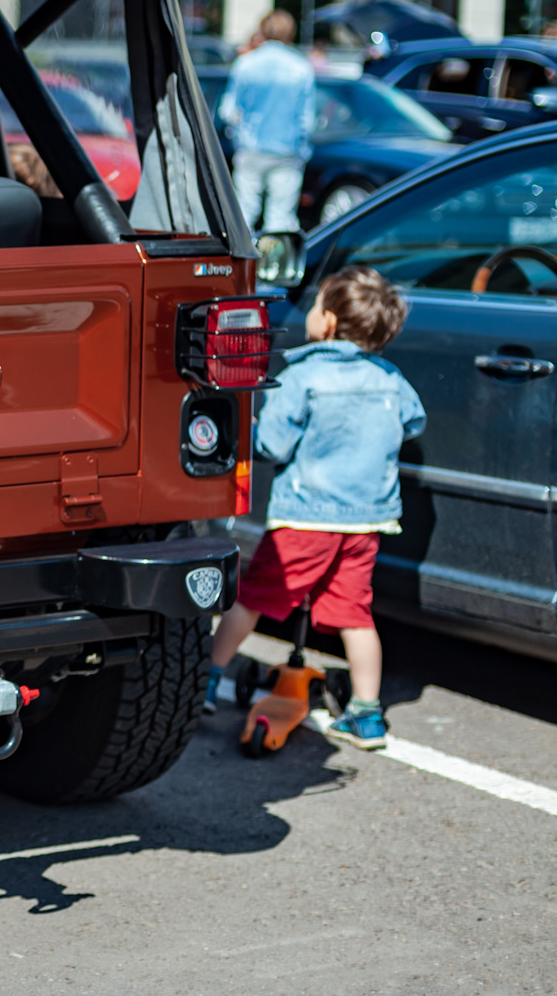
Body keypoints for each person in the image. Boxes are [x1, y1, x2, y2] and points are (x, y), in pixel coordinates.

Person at [205, 265, 426, 749]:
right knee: (355, 613)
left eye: (314, 305)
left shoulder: (303, 375)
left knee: (255, 598)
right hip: (368, 518)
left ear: (327, 323)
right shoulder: (391, 378)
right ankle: (367, 715)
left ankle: (207, 676)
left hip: (307, 515)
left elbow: (274, 445)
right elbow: (413, 422)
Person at [221, 9, 315, 232]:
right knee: (280, 220)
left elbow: (228, 112)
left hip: (251, 150)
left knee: (244, 214)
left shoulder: (245, 64)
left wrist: (240, 135)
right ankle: (274, 264)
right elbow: (307, 121)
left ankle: (242, 265)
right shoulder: (301, 67)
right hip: (286, 152)